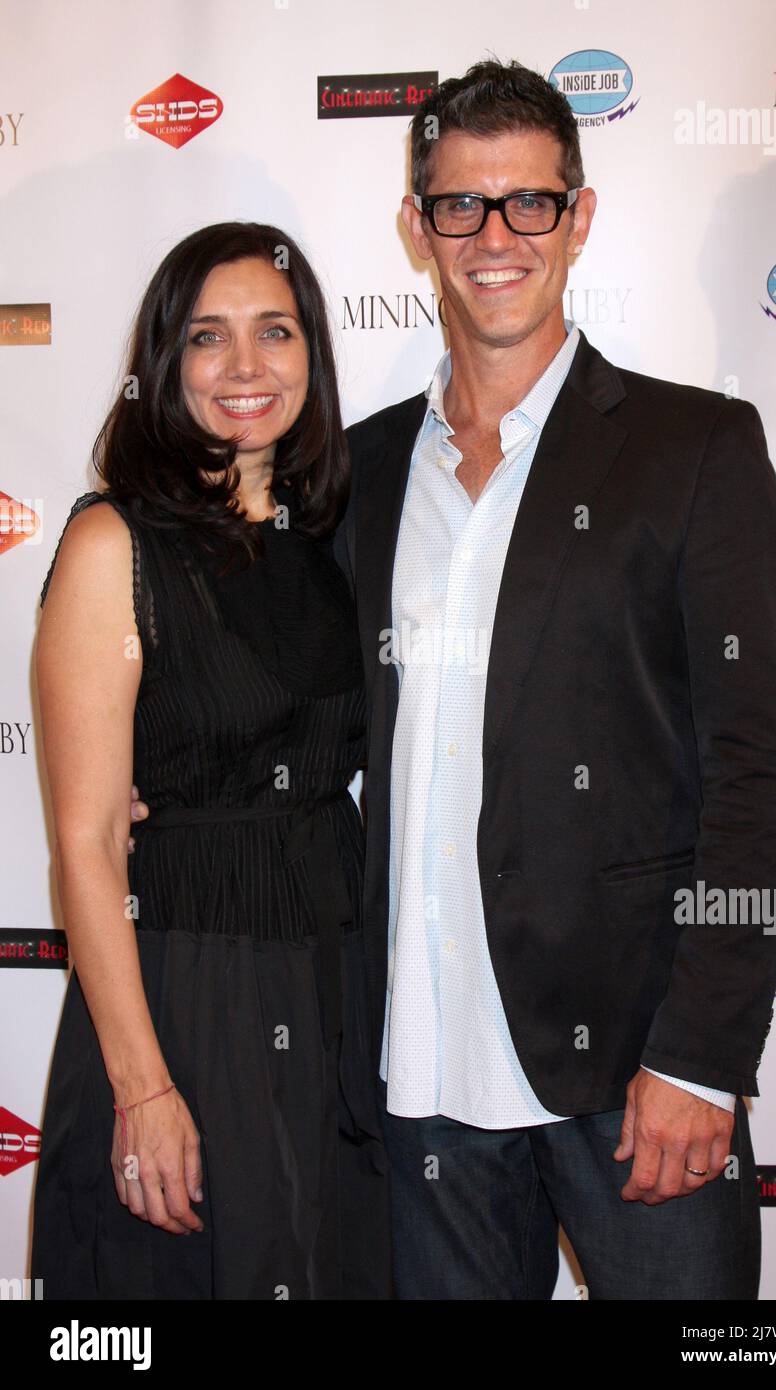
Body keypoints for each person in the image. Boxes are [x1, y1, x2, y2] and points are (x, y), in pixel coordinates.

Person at [332, 60, 776, 1299]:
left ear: (578, 216)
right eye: (458, 205)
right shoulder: (362, 472)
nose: (494, 238)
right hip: (419, 1077)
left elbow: (756, 771)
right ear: (415, 227)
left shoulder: (693, 449)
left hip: (633, 1075)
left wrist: (702, 1056)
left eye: (527, 203)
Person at [31, 221, 391, 1300]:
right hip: (187, 995)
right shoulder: (115, 546)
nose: (245, 367)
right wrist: (144, 1087)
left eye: (274, 333)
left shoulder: (329, 546)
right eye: (207, 338)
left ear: (311, 357)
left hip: (336, 992)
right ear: (162, 364)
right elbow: (86, 843)